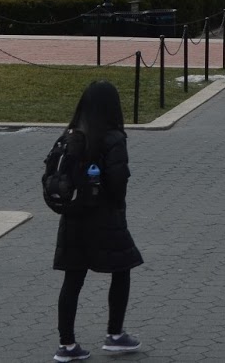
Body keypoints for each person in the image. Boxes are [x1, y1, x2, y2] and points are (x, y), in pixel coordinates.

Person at [52, 81, 143, 362]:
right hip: (104, 217)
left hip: (73, 217)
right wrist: (116, 203)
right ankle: (115, 334)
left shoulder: (71, 134)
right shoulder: (112, 137)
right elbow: (117, 181)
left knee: (73, 278)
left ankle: (66, 344)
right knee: (123, 267)